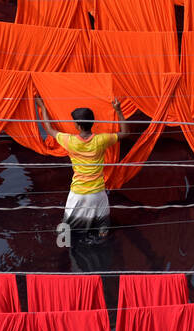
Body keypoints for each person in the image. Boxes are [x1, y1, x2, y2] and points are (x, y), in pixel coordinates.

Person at [34, 96, 128, 242]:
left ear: (77, 126)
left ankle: (64, 250)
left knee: (64, 233)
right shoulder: (101, 140)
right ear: (92, 123)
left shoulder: (69, 141)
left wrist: (43, 107)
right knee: (103, 229)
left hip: (77, 193)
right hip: (98, 193)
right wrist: (118, 110)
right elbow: (125, 133)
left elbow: (49, 128)